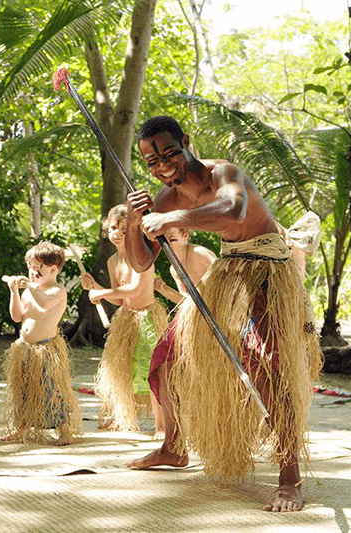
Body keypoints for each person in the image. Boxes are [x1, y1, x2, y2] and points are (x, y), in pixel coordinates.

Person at [124, 116, 323, 512]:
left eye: (169, 153)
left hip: (267, 267)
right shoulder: (169, 196)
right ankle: (173, 446)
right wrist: (134, 222)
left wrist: (172, 219)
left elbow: (233, 211)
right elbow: (143, 261)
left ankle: (290, 477)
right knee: (168, 353)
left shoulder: (224, 173)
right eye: (151, 161)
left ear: (186, 142)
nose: (162, 166)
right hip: (230, 269)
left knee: (267, 365)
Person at [81, 205, 168, 432]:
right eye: (112, 228)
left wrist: (102, 292)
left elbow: (135, 289)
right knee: (120, 370)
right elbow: (120, 299)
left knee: (151, 370)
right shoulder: (112, 261)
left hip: (147, 319)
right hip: (127, 319)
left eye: (122, 228)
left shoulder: (140, 255)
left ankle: (161, 426)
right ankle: (121, 417)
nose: (117, 232)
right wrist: (96, 288)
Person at [2, 241, 80, 446]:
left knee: (51, 389)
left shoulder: (56, 291)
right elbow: (17, 316)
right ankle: (22, 428)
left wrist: (29, 286)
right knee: (23, 389)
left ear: (53, 269)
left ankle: (64, 430)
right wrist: (14, 292)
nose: (32, 272)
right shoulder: (30, 291)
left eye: (39, 268)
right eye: (30, 267)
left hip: (45, 349)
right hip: (25, 348)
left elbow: (44, 304)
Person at [153, 227, 217, 305]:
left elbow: (224, 272)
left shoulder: (199, 252)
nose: (168, 245)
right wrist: (163, 291)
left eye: (173, 240)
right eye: (164, 241)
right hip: (204, 309)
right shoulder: (174, 269)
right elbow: (184, 301)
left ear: (185, 236)